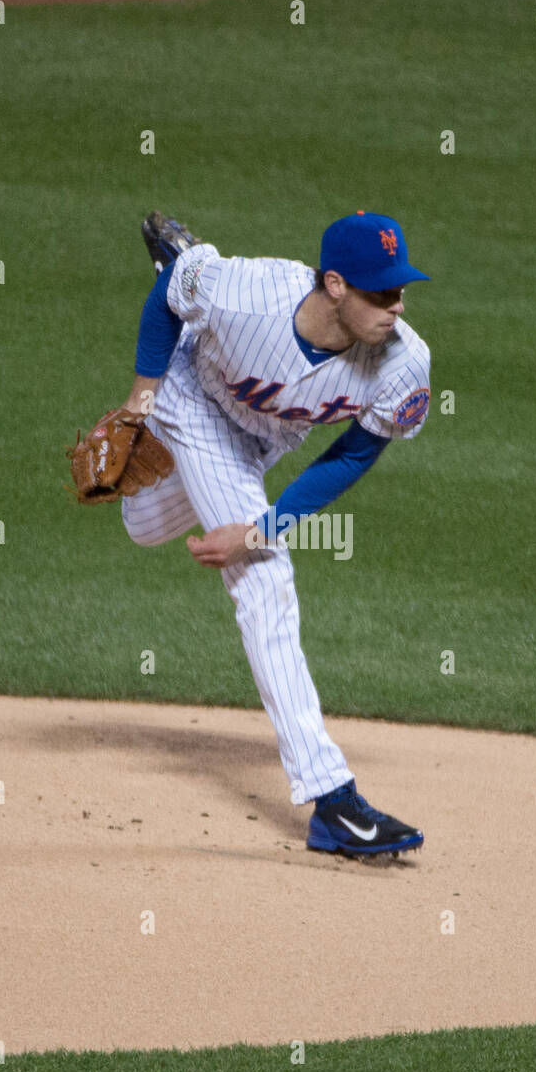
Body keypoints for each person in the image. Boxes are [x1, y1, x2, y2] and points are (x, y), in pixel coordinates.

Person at [119, 210, 432, 858]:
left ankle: (332, 804)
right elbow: (168, 293)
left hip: (263, 440)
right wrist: (140, 403)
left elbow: (353, 455)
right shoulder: (248, 294)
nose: (395, 307)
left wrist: (260, 529)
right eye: (380, 294)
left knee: (146, 524)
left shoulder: (405, 364)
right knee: (265, 579)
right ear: (336, 285)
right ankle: (333, 800)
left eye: (401, 291)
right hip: (194, 401)